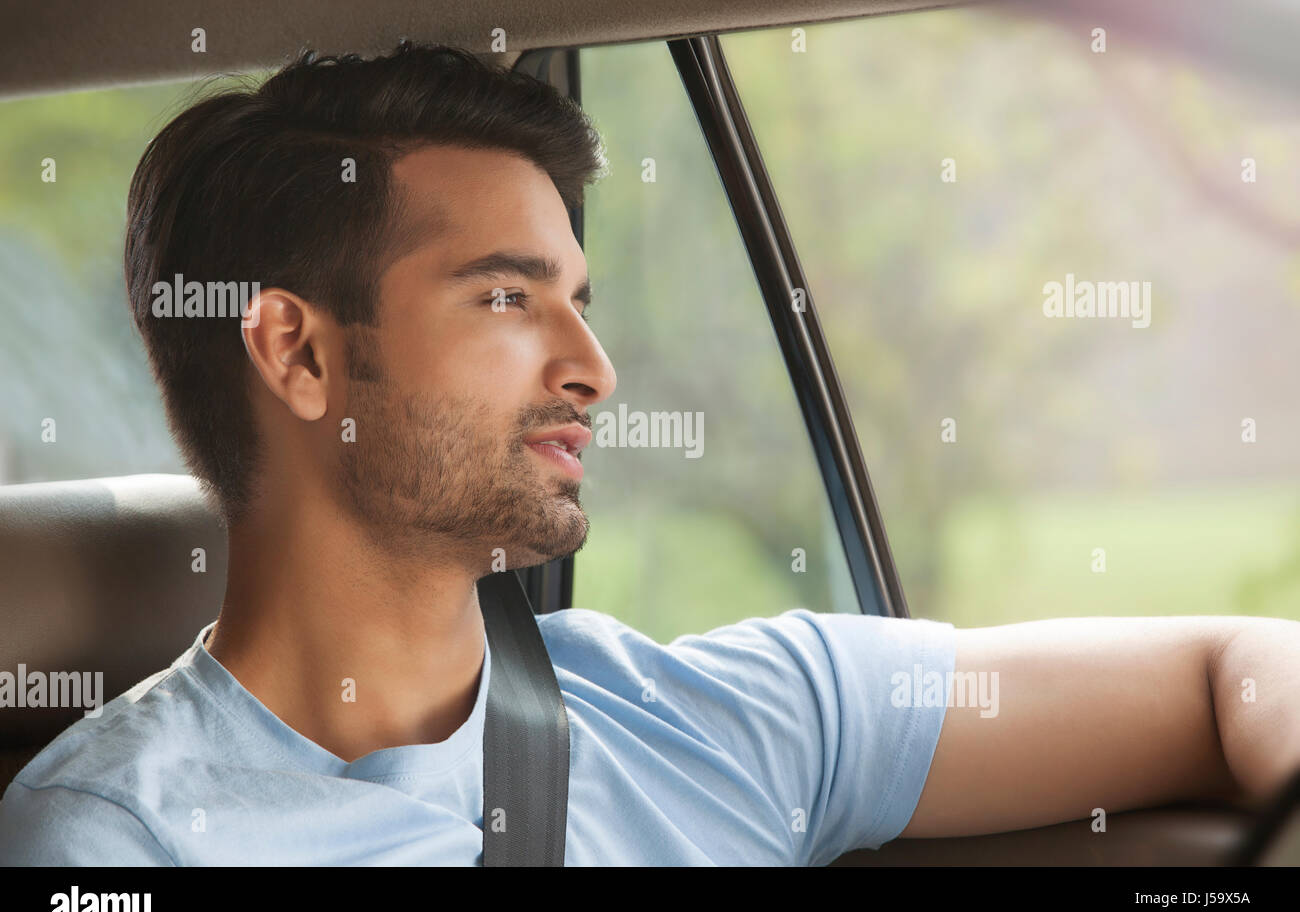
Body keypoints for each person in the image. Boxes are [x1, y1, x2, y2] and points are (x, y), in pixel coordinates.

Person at [1, 42, 1296, 865]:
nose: (593, 369)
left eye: (583, 299)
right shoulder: (116, 843)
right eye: (508, 299)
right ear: (297, 354)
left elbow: (1230, 667)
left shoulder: (714, 721)